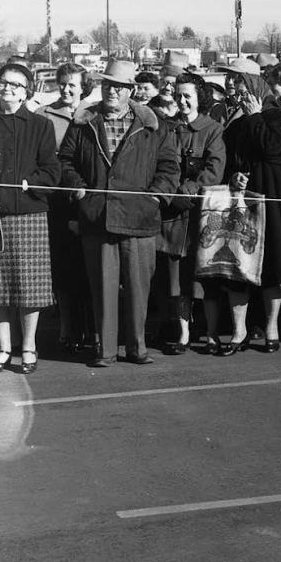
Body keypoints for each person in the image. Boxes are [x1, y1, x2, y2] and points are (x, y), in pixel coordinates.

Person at [58, 58, 180, 367]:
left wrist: (155, 198)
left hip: (139, 218)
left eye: (121, 87)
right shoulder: (83, 123)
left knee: (140, 288)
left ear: (131, 91)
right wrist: (80, 189)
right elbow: (66, 162)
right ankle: (105, 350)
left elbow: (169, 167)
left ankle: (137, 348)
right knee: (102, 287)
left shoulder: (154, 125)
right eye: (108, 85)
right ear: (101, 87)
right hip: (97, 218)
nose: (113, 91)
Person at [0, 61, 62, 374]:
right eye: (3, 83)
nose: (7, 89)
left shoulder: (40, 126)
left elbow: (53, 171)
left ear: (27, 92)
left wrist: (33, 183)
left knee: (30, 286)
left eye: (15, 85)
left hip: (28, 213)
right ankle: (3, 349)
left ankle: (28, 347)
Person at [220, 64, 281, 351]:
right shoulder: (238, 123)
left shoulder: (280, 119)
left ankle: (271, 328)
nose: (236, 91)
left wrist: (255, 116)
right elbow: (231, 160)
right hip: (242, 198)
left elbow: (271, 149)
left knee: (273, 266)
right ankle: (239, 331)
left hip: (273, 199)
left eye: (240, 85)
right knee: (238, 266)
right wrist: (233, 176)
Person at [157, 72, 226, 354]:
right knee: (177, 279)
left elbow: (215, 169)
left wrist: (190, 189)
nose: (181, 101)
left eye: (188, 96)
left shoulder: (213, 129)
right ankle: (183, 334)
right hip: (173, 215)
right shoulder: (167, 128)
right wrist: (172, 194)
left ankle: (211, 333)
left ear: (200, 99)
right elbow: (161, 165)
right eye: (178, 95)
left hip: (202, 214)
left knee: (204, 277)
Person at [40, 62, 95, 352]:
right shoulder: (44, 116)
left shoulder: (94, 114)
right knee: (62, 266)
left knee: (89, 265)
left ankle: (92, 327)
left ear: (83, 86)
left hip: (88, 197)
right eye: (62, 83)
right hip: (58, 200)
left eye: (73, 84)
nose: (66, 89)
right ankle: (66, 324)